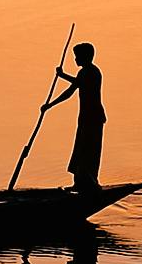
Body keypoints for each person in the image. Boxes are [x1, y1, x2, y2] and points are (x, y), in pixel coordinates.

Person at [39, 42, 108, 192]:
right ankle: (81, 183)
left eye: (77, 57)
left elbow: (72, 89)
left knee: (88, 150)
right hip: (85, 117)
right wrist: (62, 77)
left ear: (86, 57)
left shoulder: (91, 72)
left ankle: (90, 184)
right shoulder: (85, 72)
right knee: (80, 149)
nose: (75, 59)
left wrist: (50, 104)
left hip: (93, 117)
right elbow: (75, 86)